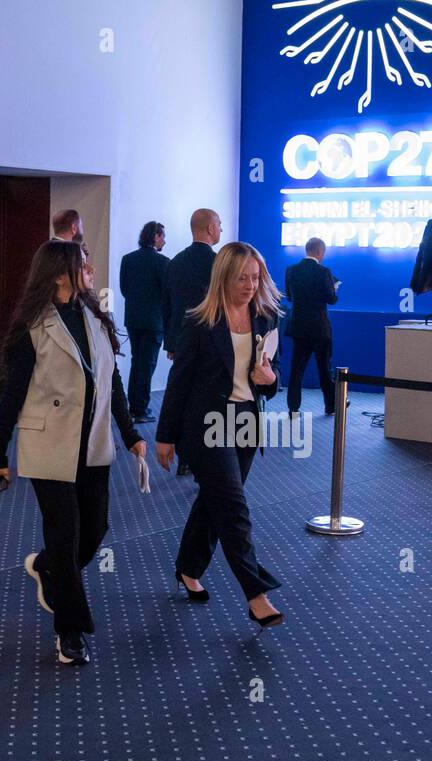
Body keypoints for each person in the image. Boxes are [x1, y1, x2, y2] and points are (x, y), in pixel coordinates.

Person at [0, 240, 145, 667]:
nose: (89, 268)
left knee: (95, 529)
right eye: (82, 263)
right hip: (48, 442)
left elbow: (113, 384)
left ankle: (47, 566)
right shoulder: (32, 325)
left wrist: (130, 435)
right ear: (59, 273)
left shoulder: (95, 316)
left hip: (92, 442)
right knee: (67, 533)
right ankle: (70, 632)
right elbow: (13, 394)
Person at [155, 241, 284, 632]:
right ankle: (255, 594)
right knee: (233, 507)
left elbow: (270, 377)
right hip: (206, 423)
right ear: (224, 277)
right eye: (241, 277)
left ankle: (188, 567)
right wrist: (166, 436)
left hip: (245, 420)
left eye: (255, 277)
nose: (249, 285)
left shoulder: (267, 317)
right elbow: (178, 383)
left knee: (215, 502)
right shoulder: (200, 321)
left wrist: (270, 380)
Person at [163, 208, 223, 476]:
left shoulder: (174, 262)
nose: (220, 230)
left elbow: (170, 306)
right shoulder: (221, 263)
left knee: (181, 392)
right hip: (213, 342)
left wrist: (171, 341)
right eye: (219, 225)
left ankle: (185, 453)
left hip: (180, 338)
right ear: (210, 229)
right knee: (205, 396)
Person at [119, 221, 170, 423]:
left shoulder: (128, 259)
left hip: (133, 319)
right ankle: (140, 409)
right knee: (147, 365)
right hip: (153, 322)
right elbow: (167, 294)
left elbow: (124, 289)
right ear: (155, 236)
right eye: (163, 236)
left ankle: (134, 405)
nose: (164, 241)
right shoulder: (163, 262)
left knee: (136, 362)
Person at [283, 237, 341, 416]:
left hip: (299, 326)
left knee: (296, 369)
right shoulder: (324, 272)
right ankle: (330, 405)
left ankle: (293, 407)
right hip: (319, 329)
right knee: (324, 368)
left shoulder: (291, 270)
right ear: (320, 252)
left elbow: (290, 297)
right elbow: (331, 299)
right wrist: (335, 288)